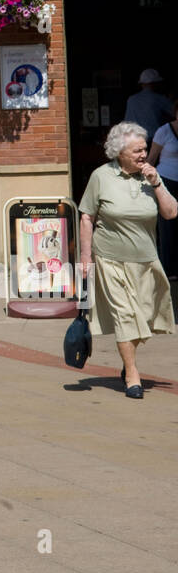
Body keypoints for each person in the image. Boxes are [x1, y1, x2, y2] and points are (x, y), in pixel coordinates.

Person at [79, 122, 176, 399]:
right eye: (137, 151)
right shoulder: (101, 176)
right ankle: (132, 374)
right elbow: (87, 216)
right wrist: (86, 258)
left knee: (143, 316)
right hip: (110, 258)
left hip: (146, 260)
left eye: (145, 149)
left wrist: (156, 182)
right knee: (125, 316)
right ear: (119, 152)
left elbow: (171, 213)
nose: (143, 154)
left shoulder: (151, 177)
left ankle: (127, 362)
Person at [148, 100, 178, 278]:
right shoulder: (164, 131)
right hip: (167, 181)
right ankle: (169, 269)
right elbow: (151, 158)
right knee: (167, 227)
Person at [124, 70, 173, 145]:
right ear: (154, 84)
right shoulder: (159, 98)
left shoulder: (131, 99)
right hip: (153, 141)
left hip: (132, 141)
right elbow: (174, 112)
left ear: (142, 84)